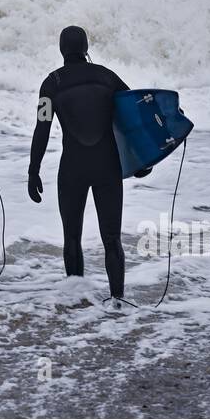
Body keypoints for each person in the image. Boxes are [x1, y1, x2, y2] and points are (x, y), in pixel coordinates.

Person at [27, 25, 135, 300]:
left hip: (73, 168)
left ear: (62, 50)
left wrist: (33, 169)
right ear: (86, 48)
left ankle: (76, 302)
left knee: (71, 237)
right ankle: (118, 302)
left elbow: (42, 127)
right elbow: (135, 114)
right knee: (112, 239)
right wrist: (142, 158)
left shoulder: (51, 83)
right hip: (108, 166)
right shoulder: (107, 77)